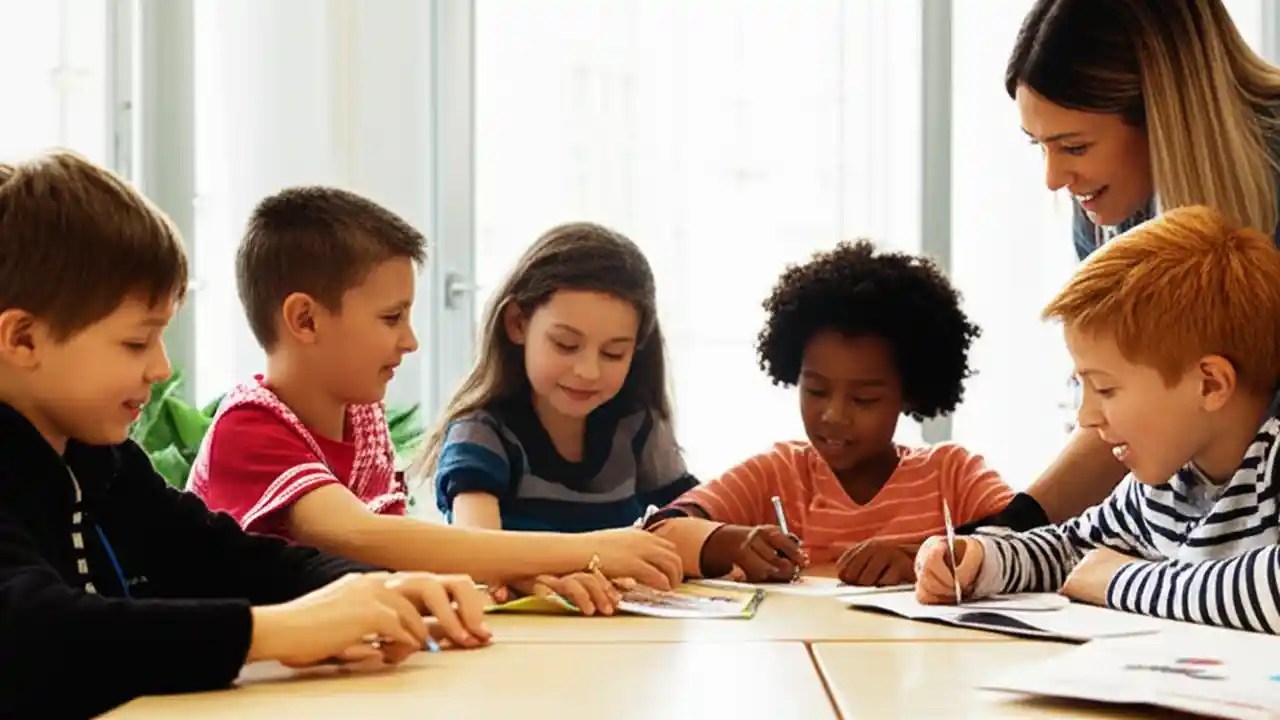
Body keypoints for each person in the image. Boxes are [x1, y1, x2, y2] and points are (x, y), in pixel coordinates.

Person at [0, 151, 490, 719]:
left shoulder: (99, 461)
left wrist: (378, 589)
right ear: (24, 339)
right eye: (136, 343)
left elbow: (219, 554)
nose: (160, 369)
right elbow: (32, 631)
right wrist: (276, 630)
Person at [190, 190, 681, 616]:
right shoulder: (249, 428)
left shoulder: (361, 419)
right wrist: (586, 550)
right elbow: (359, 535)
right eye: (391, 318)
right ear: (306, 321)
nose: (410, 341)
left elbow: (395, 555)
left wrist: (519, 577)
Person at [966, 0, 1280, 532]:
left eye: (1074, 146)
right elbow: (1123, 398)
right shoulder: (1107, 210)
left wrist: (1121, 579)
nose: (1053, 177)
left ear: (1165, 112)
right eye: (1039, 146)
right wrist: (998, 533)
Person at [918, 206, 1280, 635]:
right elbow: (1075, 549)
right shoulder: (1161, 485)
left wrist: (1117, 581)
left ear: (1209, 385)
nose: (1086, 416)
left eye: (1105, 389)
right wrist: (981, 559)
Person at [645, 241, 1013, 585]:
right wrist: (726, 543)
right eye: (817, 391)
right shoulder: (775, 475)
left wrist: (923, 557)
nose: (834, 415)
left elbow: (1040, 544)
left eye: (864, 399)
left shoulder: (952, 476)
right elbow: (656, 535)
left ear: (911, 393)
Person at [420, 222, 697, 540]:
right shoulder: (483, 433)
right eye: (566, 344)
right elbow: (478, 549)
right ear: (517, 324)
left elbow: (694, 513)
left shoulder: (635, 426)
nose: (588, 371)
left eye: (613, 353)